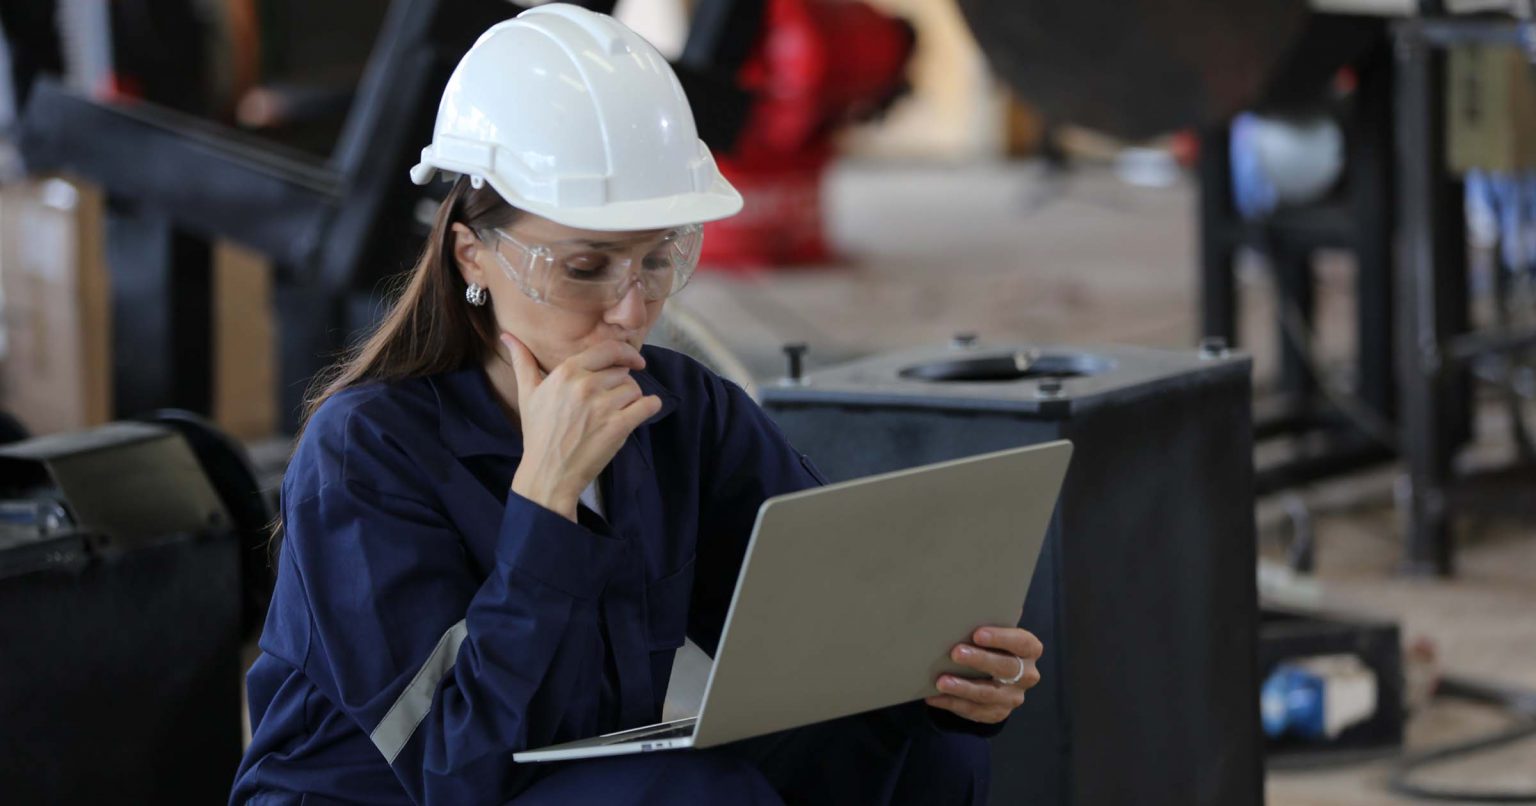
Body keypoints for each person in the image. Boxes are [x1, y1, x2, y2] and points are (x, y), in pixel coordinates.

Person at [231, 6, 1042, 804]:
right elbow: (457, 768)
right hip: (398, 794)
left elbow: (829, 631)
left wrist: (941, 678)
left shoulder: (682, 413)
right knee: (685, 793)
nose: (632, 309)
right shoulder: (365, 451)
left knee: (918, 752)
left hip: (575, 772)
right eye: (585, 266)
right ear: (472, 252)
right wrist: (546, 500)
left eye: (659, 259)